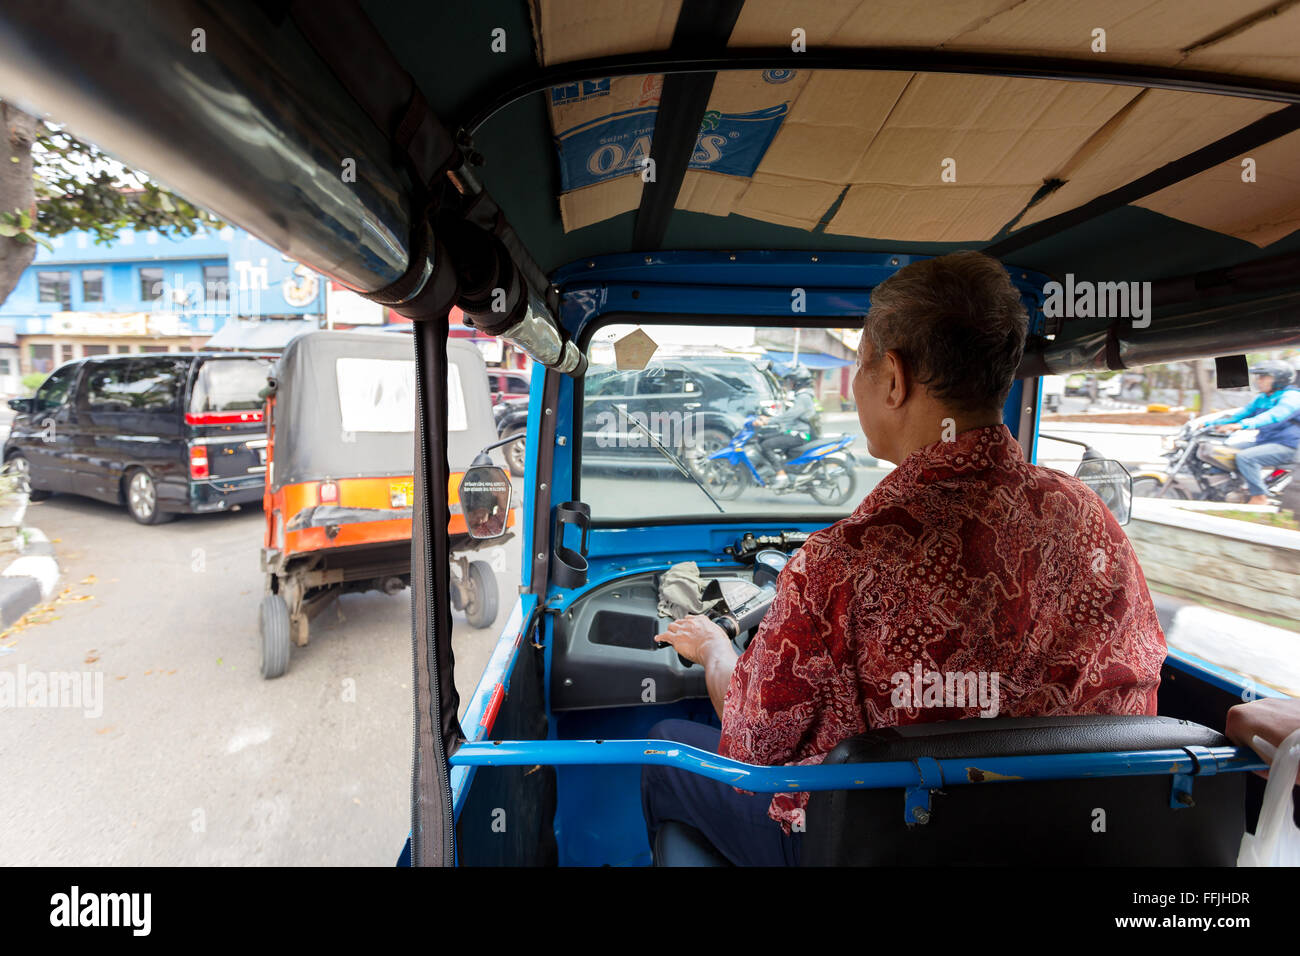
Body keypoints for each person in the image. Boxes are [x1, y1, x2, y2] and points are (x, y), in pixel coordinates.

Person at [642, 251, 1167, 866]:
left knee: (664, 750)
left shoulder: (843, 560)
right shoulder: (1091, 520)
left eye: (860, 367)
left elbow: (753, 746)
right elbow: (1139, 683)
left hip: (874, 844)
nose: (858, 386)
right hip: (1062, 840)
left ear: (893, 377)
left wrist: (713, 650)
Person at [1204, 360, 1300, 505]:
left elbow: (1274, 416)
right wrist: (1207, 424)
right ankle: (1231, 489)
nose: (1258, 381)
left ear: (1279, 379)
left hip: (1289, 446)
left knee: (1246, 457)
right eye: (1258, 377)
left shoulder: (1292, 397)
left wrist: (1241, 425)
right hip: (1265, 442)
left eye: (1263, 377)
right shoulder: (1263, 398)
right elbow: (1239, 415)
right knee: (1220, 451)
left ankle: (1259, 496)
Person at [754, 366, 816, 488]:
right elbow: (787, 414)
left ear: (798, 382)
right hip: (793, 431)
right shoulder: (801, 396)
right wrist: (767, 417)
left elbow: (789, 416)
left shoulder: (803, 397)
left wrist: (768, 421)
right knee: (763, 438)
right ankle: (777, 468)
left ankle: (781, 476)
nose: (789, 384)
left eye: (791, 381)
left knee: (766, 445)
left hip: (800, 434)